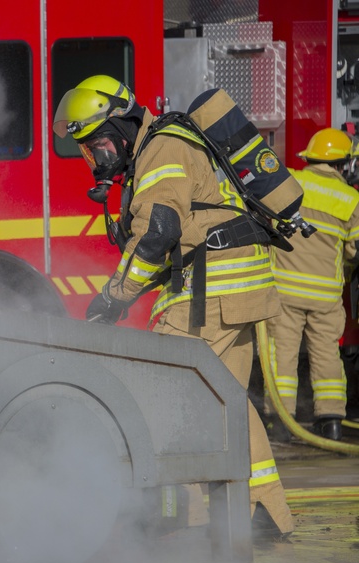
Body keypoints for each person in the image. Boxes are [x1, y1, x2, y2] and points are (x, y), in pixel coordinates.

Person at [53, 75, 295, 537]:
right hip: (237, 291)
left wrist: (113, 297)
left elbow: (158, 232)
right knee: (227, 406)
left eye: (96, 145)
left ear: (121, 126)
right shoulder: (168, 143)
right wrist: (127, 295)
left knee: (164, 398)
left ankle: (179, 519)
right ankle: (260, 514)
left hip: (210, 295)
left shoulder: (161, 149)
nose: (95, 159)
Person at [266, 128, 359, 441]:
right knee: (326, 357)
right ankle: (330, 422)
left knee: (283, 357)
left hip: (284, 290)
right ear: (342, 164)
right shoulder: (351, 198)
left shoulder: (290, 182)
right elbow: (353, 251)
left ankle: (281, 424)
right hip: (326, 295)